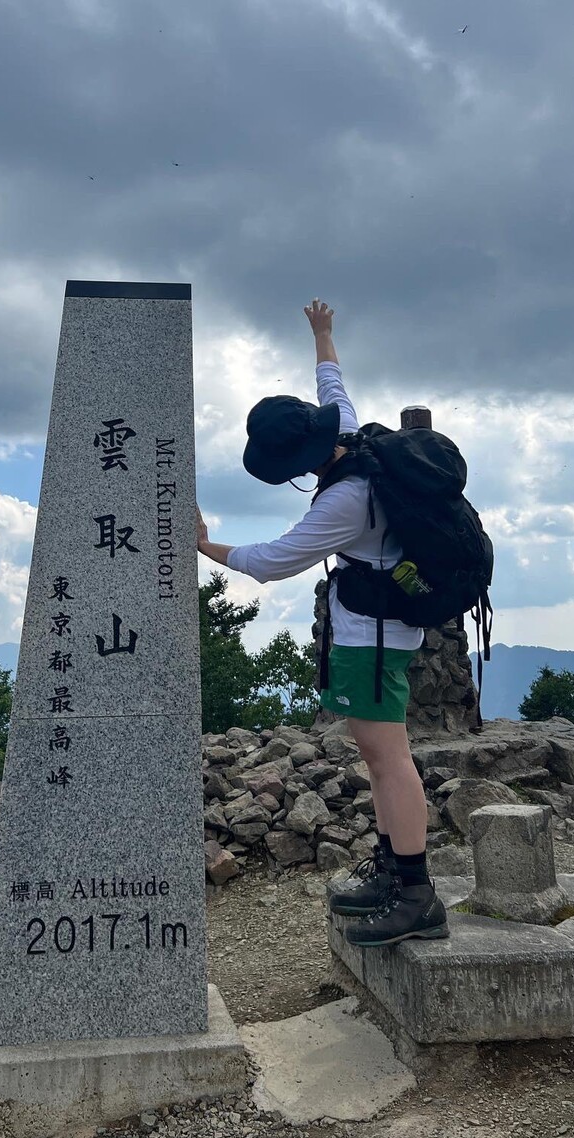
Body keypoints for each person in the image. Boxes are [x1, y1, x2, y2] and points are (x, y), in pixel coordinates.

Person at [196, 298, 448, 946]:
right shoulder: (356, 441)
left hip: (370, 637)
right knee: (379, 756)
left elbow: (273, 561)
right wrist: (323, 333)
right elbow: (332, 384)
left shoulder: (344, 500)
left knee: (388, 760)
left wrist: (204, 546)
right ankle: (392, 871)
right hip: (384, 627)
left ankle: (415, 894)